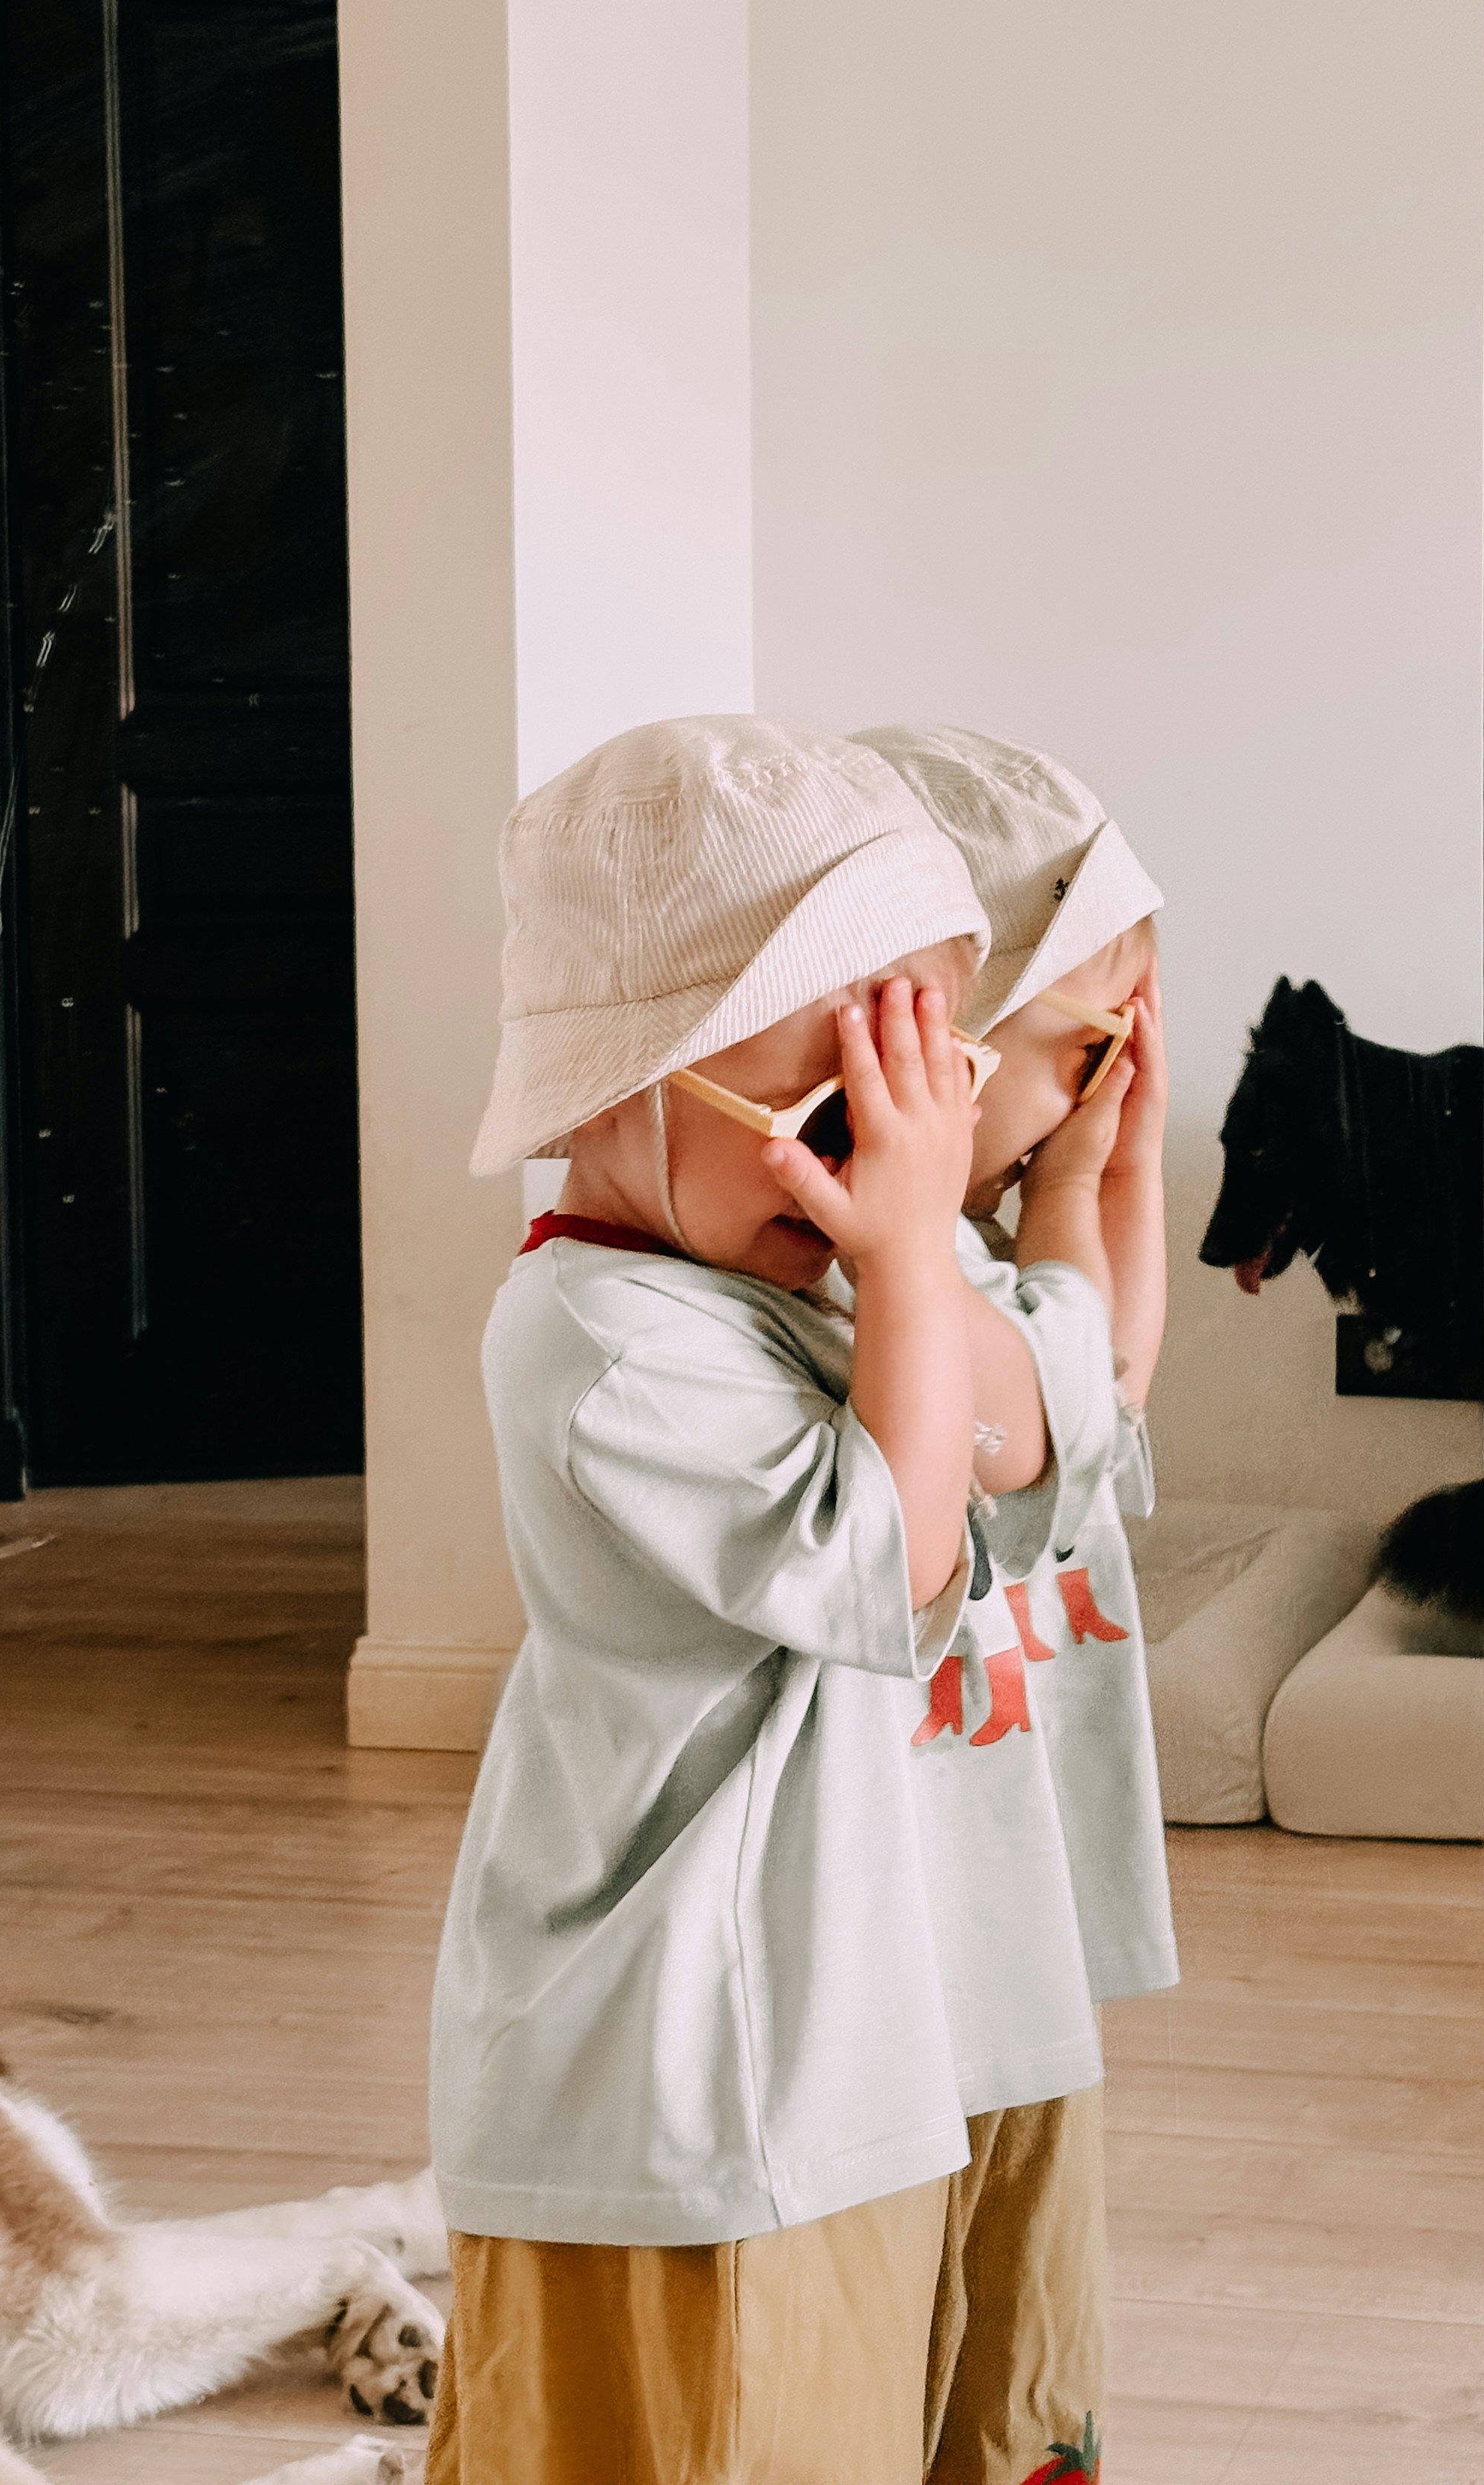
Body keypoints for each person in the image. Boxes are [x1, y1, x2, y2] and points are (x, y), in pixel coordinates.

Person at [425, 714, 1101, 2485]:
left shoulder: (817, 1261)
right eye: (827, 1118)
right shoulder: (596, 1338)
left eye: (913, 1110)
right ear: (612, 1086)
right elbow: (907, 1552)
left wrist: (932, 1245)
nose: (881, 1174)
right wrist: (903, 1260)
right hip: (685, 2075)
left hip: (845, 2025)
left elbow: (1040, 1424)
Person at [855, 722, 1178, 2485]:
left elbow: (1114, 1370)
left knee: (1029, 2313)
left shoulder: (991, 1258)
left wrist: (1107, 1156)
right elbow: (1047, 1409)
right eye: (1085, 1044)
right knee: (907, 2306)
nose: (1114, 1076)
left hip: (1017, 1918)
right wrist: (1065, 1188)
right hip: (904, 1932)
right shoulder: (904, 1289)